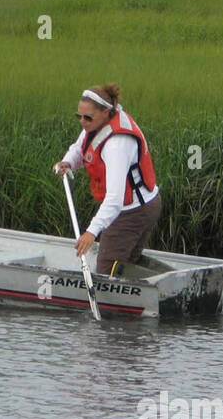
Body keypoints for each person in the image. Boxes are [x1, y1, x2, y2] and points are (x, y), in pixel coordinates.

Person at [53, 84, 162, 277]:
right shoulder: (99, 123)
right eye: (79, 116)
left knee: (106, 271)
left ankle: (126, 293)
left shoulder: (116, 145)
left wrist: (91, 232)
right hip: (141, 204)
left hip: (133, 211)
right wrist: (68, 162)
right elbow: (80, 147)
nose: (82, 122)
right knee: (125, 263)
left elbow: (115, 199)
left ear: (105, 112)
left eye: (87, 117)